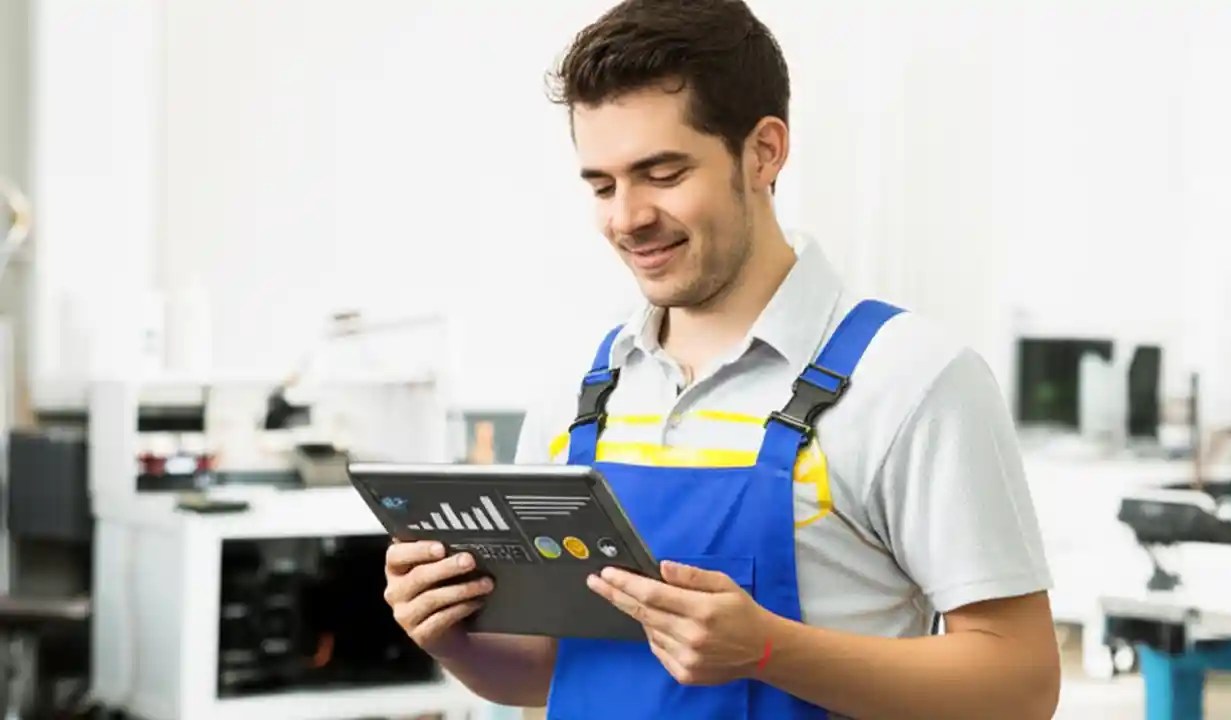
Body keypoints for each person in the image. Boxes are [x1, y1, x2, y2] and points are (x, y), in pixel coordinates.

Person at [382, 0, 1062, 717]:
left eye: (664, 173)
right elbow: (550, 674)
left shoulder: (913, 379)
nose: (627, 217)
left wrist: (769, 650)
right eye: (603, 185)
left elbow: (1020, 685)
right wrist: (451, 636)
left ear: (764, 151)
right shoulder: (577, 396)